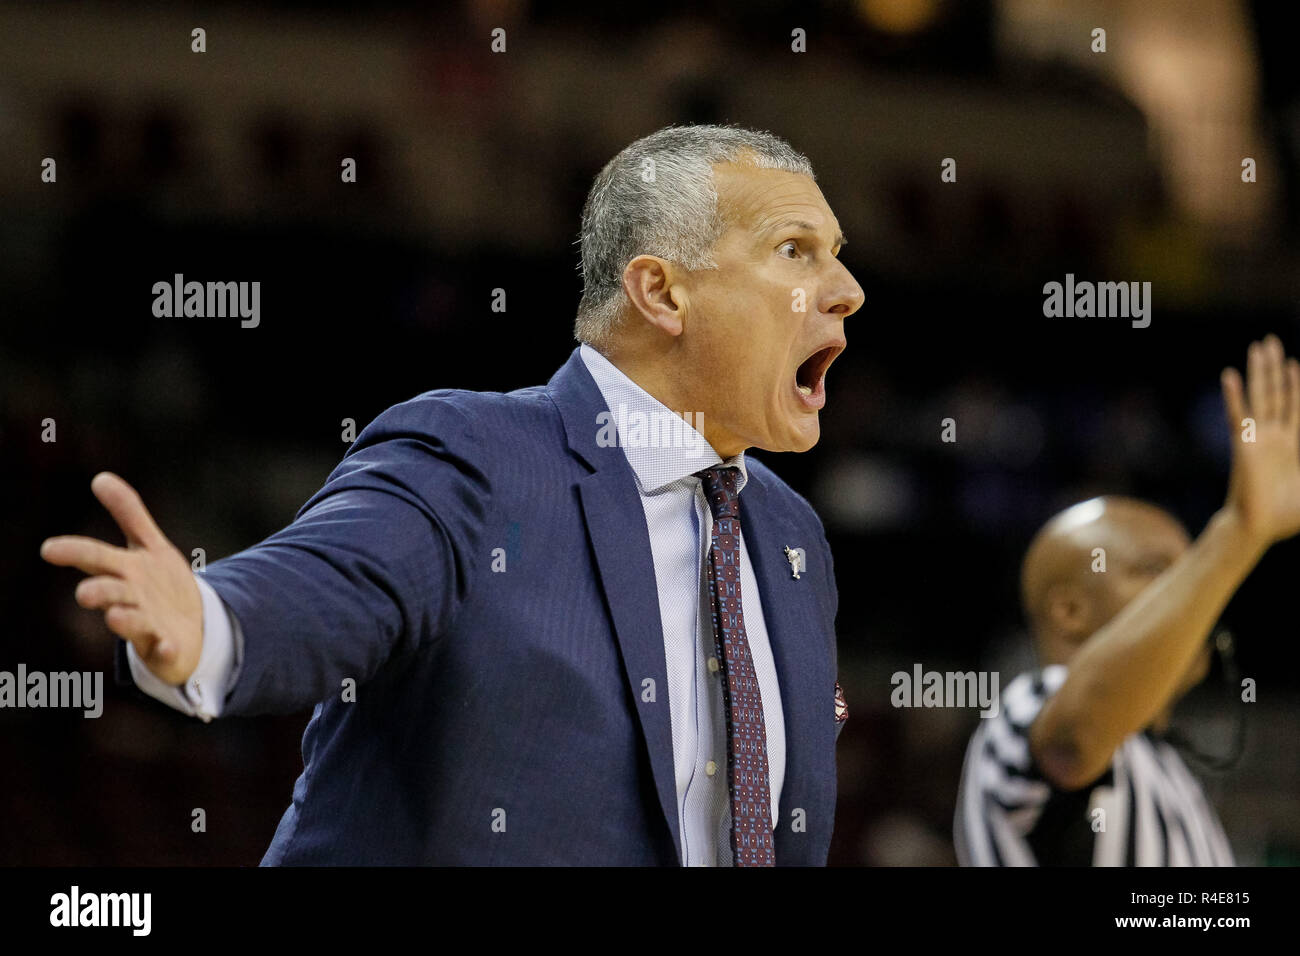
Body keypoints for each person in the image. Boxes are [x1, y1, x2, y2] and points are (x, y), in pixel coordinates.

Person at [40, 124, 865, 866]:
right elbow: (332, 581)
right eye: (795, 250)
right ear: (662, 293)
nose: (846, 289)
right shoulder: (478, 455)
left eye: (835, 251)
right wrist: (213, 620)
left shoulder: (791, 536)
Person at [955, 334, 1300, 866]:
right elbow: (1073, 743)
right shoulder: (1023, 711)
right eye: (1160, 571)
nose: (1193, 590)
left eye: (1194, 570)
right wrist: (1237, 532)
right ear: (1069, 610)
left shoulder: (1166, 766)